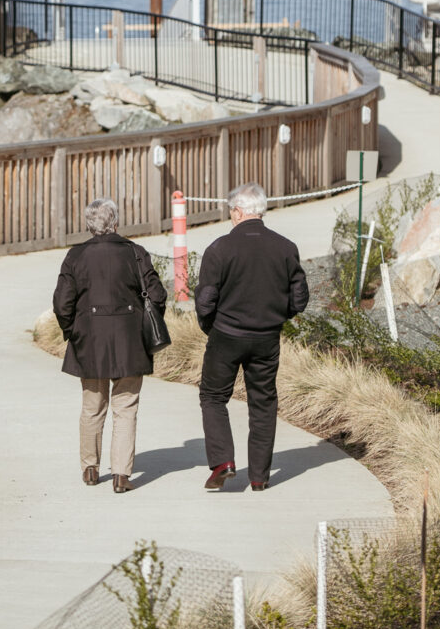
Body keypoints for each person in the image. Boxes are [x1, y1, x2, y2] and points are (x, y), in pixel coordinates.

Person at [195, 182, 309, 492]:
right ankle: (259, 476)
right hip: (267, 338)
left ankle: (223, 461)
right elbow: (299, 299)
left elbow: (205, 298)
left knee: (213, 397)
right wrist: (278, 318)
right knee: (263, 403)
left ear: (236, 211)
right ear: (261, 211)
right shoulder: (286, 248)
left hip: (227, 335)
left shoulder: (220, 249)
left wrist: (211, 326)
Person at [52, 196, 167, 493]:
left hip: (88, 339)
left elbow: (62, 303)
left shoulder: (75, 256)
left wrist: (72, 331)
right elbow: (157, 295)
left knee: (92, 406)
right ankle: (121, 475)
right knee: (126, 407)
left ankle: (90, 468)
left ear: (89, 224)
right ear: (115, 222)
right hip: (129, 339)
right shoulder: (135, 252)